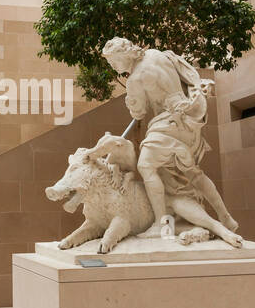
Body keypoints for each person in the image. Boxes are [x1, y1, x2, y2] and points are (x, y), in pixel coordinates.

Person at [101, 37, 240, 239]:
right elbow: (185, 76)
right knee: (193, 173)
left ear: (123, 55)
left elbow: (139, 112)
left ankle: (161, 223)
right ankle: (225, 216)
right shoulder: (158, 54)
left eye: (113, 62)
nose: (114, 68)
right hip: (190, 120)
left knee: (146, 166)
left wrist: (131, 101)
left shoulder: (135, 79)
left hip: (168, 123)